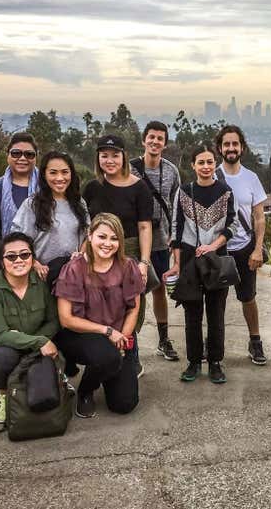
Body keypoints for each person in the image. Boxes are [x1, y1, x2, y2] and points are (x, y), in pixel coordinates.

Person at [54, 213, 145, 418]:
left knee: (124, 404)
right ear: (90, 235)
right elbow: (66, 319)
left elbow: (133, 309)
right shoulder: (74, 269)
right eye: (102, 237)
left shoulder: (128, 266)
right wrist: (107, 331)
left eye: (114, 238)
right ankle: (86, 391)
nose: (108, 243)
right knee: (106, 357)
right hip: (81, 333)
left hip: (119, 334)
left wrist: (122, 338)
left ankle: (106, 368)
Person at [164, 143, 237, 384]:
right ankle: (194, 362)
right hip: (188, 260)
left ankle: (215, 362)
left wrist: (213, 246)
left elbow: (233, 225)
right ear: (193, 165)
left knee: (216, 313)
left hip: (216, 260)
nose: (206, 166)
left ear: (214, 164)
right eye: (201, 162)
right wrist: (176, 263)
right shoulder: (184, 191)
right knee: (192, 314)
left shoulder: (225, 192)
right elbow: (176, 227)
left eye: (209, 162)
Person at [83, 135, 152, 375]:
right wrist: (83, 252)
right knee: (100, 304)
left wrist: (143, 262)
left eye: (115, 155)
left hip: (130, 250)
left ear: (124, 156)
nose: (110, 160)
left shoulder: (139, 187)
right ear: (98, 158)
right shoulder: (92, 187)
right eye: (104, 155)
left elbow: (145, 226)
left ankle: (130, 355)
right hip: (96, 252)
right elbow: (86, 225)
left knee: (131, 305)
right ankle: (102, 356)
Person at [0, 232, 60, 423]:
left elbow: (53, 320)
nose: (19, 260)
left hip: (34, 341)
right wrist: (39, 341)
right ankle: (4, 395)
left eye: (25, 254)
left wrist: (34, 341)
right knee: (4, 357)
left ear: (32, 257)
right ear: (1, 261)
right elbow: (0, 335)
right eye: (11, 256)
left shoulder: (41, 284)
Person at [214, 125, 268, 365]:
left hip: (245, 247)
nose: (231, 148)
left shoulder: (251, 178)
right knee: (216, 300)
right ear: (220, 148)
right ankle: (215, 344)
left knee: (248, 298)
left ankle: (255, 341)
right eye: (227, 144)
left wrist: (258, 248)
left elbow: (259, 217)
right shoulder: (212, 175)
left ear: (242, 148)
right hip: (219, 248)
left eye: (235, 144)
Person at [130, 121, 181, 361]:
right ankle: (130, 341)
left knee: (159, 289)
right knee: (131, 293)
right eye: (151, 137)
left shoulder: (171, 171)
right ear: (144, 140)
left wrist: (175, 236)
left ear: (165, 143)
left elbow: (177, 203)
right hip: (133, 241)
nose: (155, 142)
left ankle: (163, 339)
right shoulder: (129, 169)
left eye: (160, 138)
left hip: (161, 241)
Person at [11, 151, 89, 285]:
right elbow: (17, 240)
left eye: (65, 172)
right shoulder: (32, 204)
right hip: (41, 276)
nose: (60, 178)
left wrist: (80, 255)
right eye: (53, 172)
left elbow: (88, 235)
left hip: (72, 275)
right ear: (44, 175)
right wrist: (35, 264)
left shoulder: (79, 202)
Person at [0, 133, 40, 236]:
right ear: (7, 155)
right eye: (16, 153)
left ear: (36, 157)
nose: (22, 158)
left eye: (29, 154)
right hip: (9, 250)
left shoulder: (48, 186)